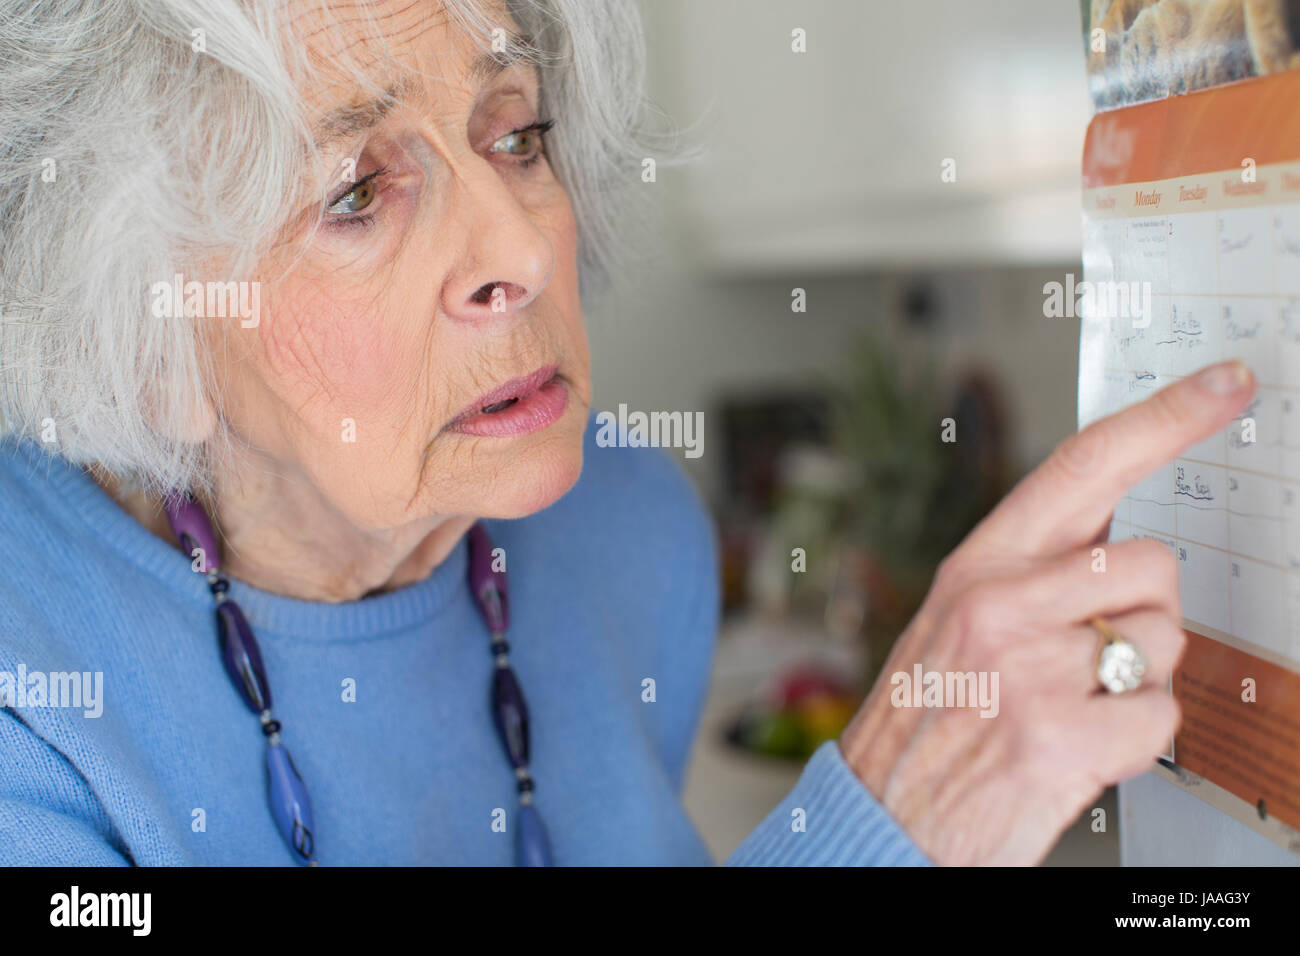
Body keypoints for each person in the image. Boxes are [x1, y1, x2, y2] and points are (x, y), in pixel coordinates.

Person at [0, 0, 1256, 865]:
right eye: (356, 193)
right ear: (152, 341)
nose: (516, 251)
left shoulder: (627, 532)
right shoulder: (34, 711)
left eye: (516, 134)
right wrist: (880, 825)